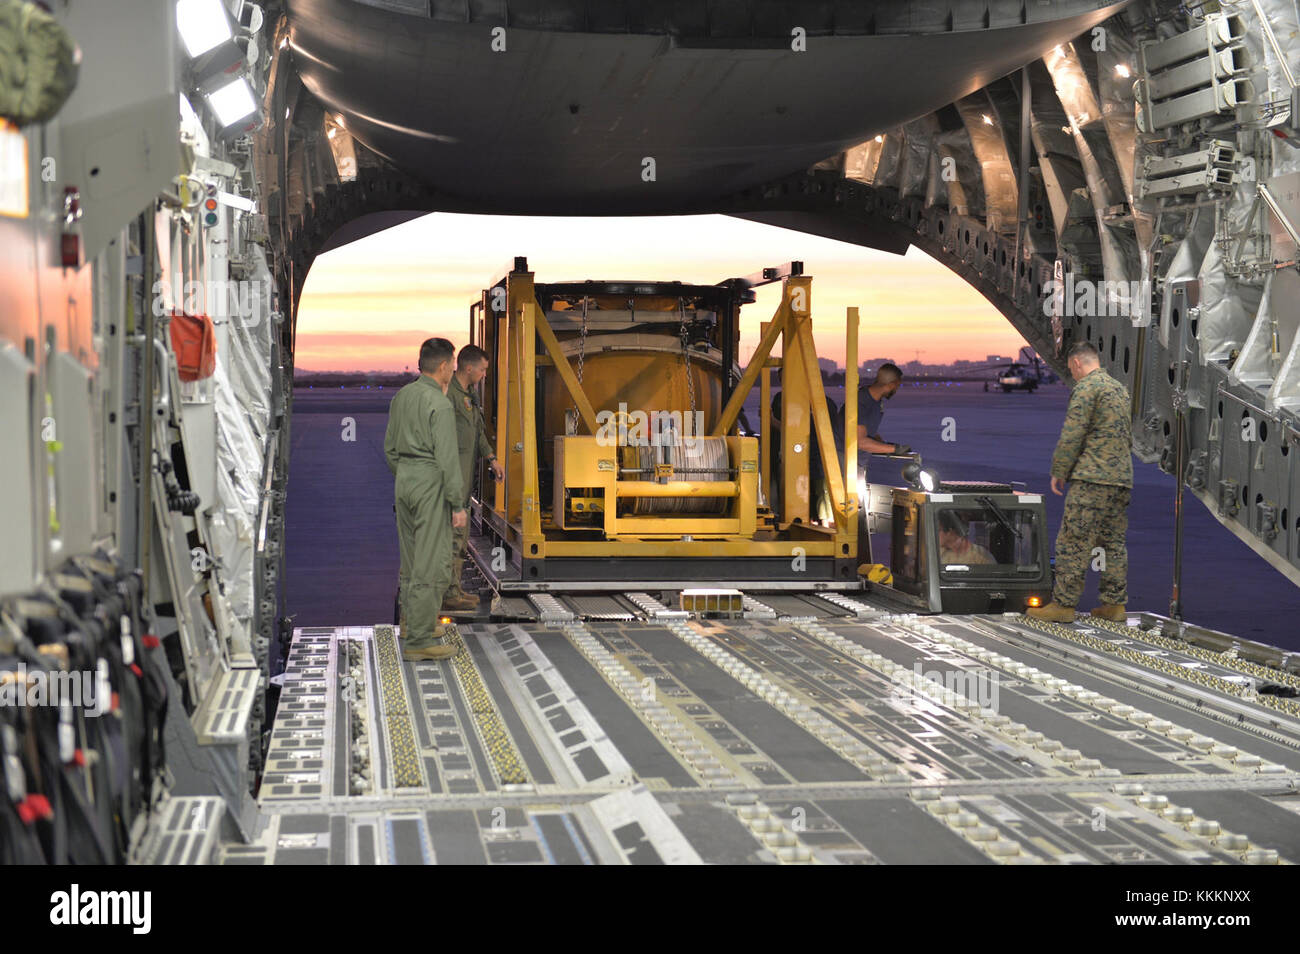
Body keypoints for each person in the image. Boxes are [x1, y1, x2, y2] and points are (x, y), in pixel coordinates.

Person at [1027, 341, 1133, 623]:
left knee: (1073, 540)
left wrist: (1060, 470)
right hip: (1121, 479)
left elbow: (1073, 433)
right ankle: (1114, 605)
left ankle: (1063, 605)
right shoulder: (1119, 389)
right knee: (1113, 542)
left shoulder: (1087, 388)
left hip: (1092, 478)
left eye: (1071, 369)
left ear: (1076, 363)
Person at [383, 337, 467, 661]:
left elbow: (390, 448)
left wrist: (407, 475)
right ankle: (419, 642)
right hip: (430, 481)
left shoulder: (402, 396)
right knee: (430, 564)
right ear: (444, 366)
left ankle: (411, 623)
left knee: (411, 559)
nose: (453, 370)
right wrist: (456, 504)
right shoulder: (440, 405)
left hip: (404, 479)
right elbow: (448, 459)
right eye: (453, 365)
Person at [445, 344, 504, 609]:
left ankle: (453, 591)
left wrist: (491, 458)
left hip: (464, 480)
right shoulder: (448, 395)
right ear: (469, 368)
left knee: (460, 538)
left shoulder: (470, 395)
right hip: (451, 480)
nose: (484, 375)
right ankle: (446, 595)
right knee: (450, 539)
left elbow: (477, 431)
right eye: (482, 369)